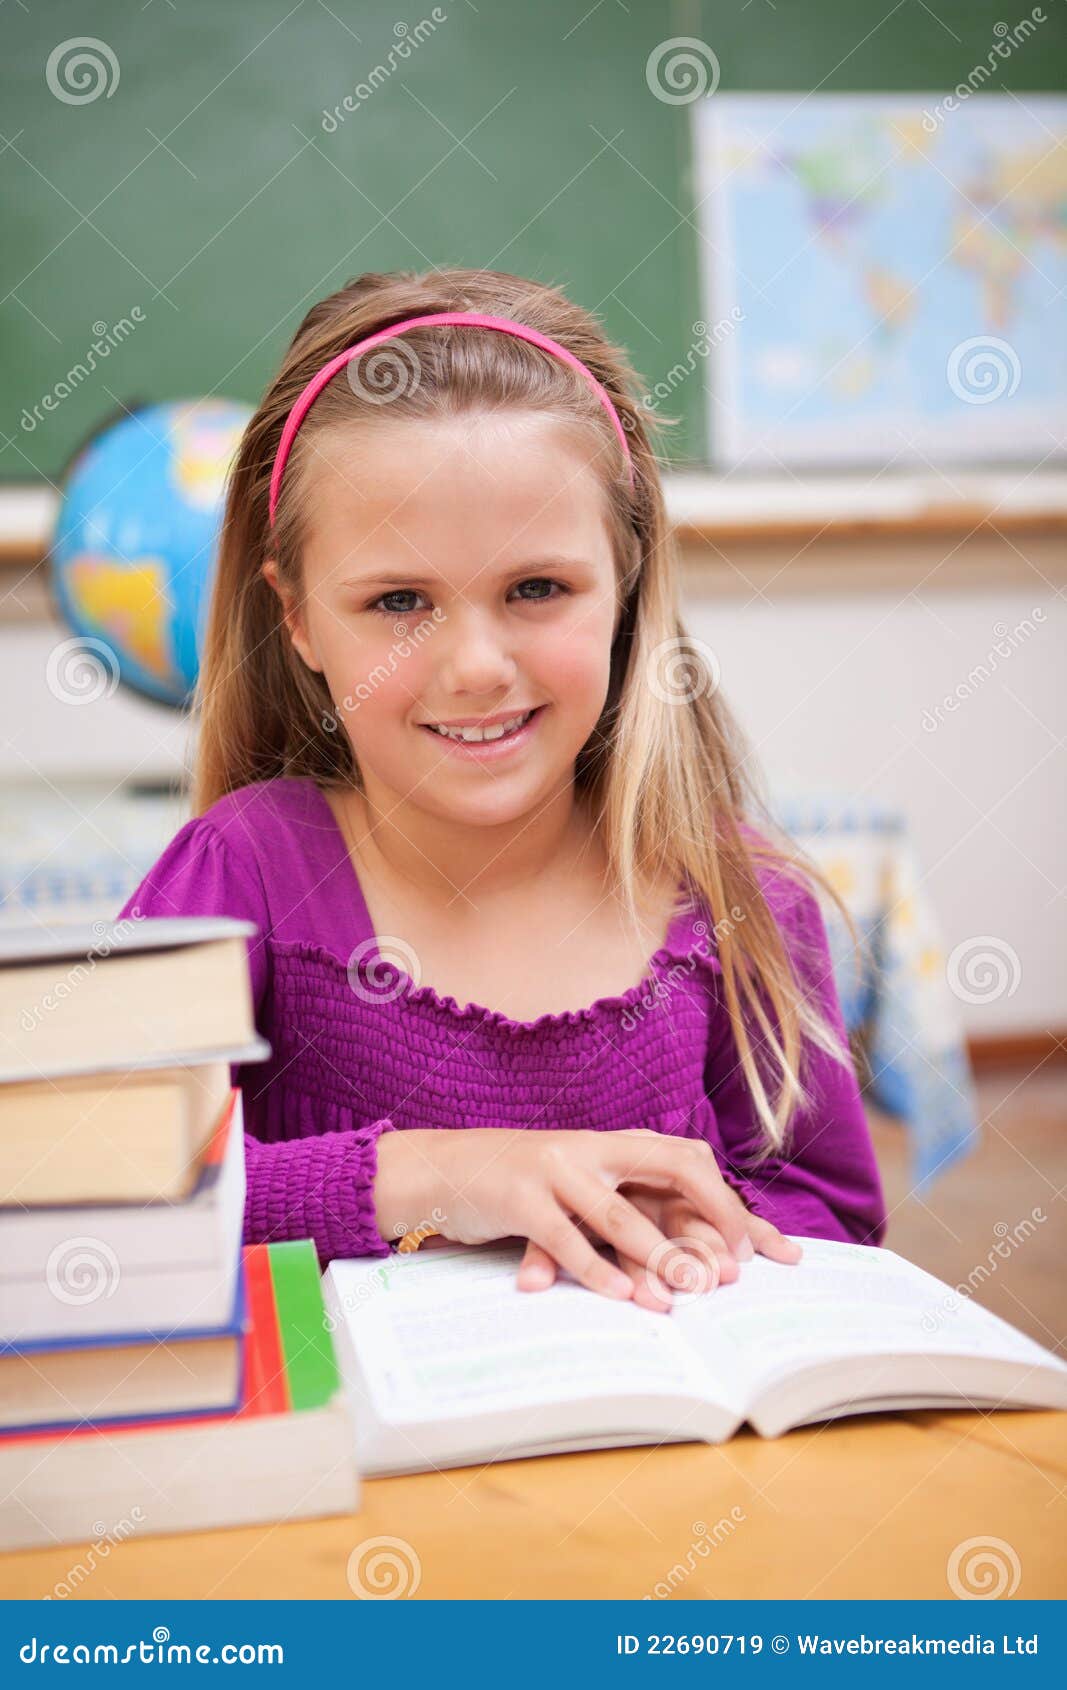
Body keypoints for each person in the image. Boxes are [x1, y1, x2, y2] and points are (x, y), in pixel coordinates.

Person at [118, 267, 887, 1314]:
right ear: (295, 617)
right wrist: (432, 1177)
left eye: (536, 588)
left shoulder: (738, 899)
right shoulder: (243, 874)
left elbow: (826, 1212)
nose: (474, 665)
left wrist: (710, 1234)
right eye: (397, 600)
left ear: (624, 584)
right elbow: (92, 1198)